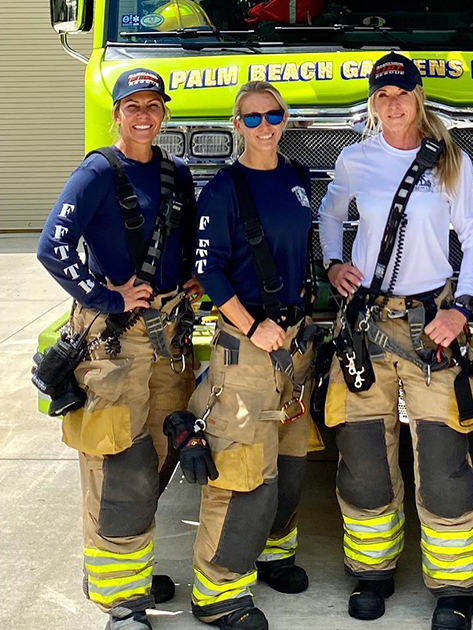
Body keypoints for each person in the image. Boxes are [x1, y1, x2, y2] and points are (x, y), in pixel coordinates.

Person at [317, 52, 473, 630]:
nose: (392, 104)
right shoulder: (356, 158)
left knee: (443, 461)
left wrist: (461, 308)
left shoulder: (449, 162)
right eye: (382, 95)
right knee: (363, 457)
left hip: (430, 327)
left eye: (402, 94)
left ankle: (456, 585)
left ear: (418, 98)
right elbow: (328, 214)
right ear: (373, 102)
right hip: (365, 328)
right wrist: (334, 261)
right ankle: (372, 571)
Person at [36, 67, 201, 630]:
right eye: (133, 106)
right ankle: (120, 604)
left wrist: (196, 282)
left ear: (163, 113)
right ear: (117, 114)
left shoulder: (177, 175)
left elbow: (188, 244)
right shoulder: (96, 173)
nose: (143, 115)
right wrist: (103, 294)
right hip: (115, 343)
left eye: (153, 105)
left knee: (157, 454)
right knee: (115, 464)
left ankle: (129, 565)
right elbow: (51, 246)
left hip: (168, 338)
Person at [174, 80, 325, 630]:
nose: (264, 125)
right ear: (237, 126)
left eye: (273, 115)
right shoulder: (222, 191)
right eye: (252, 118)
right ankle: (217, 594)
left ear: (285, 119)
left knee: (289, 459)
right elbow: (209, 271)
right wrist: (249, 324)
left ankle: (274, 554)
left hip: (295, 345)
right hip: (248, 349)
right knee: (241, 471)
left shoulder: (298, 178)